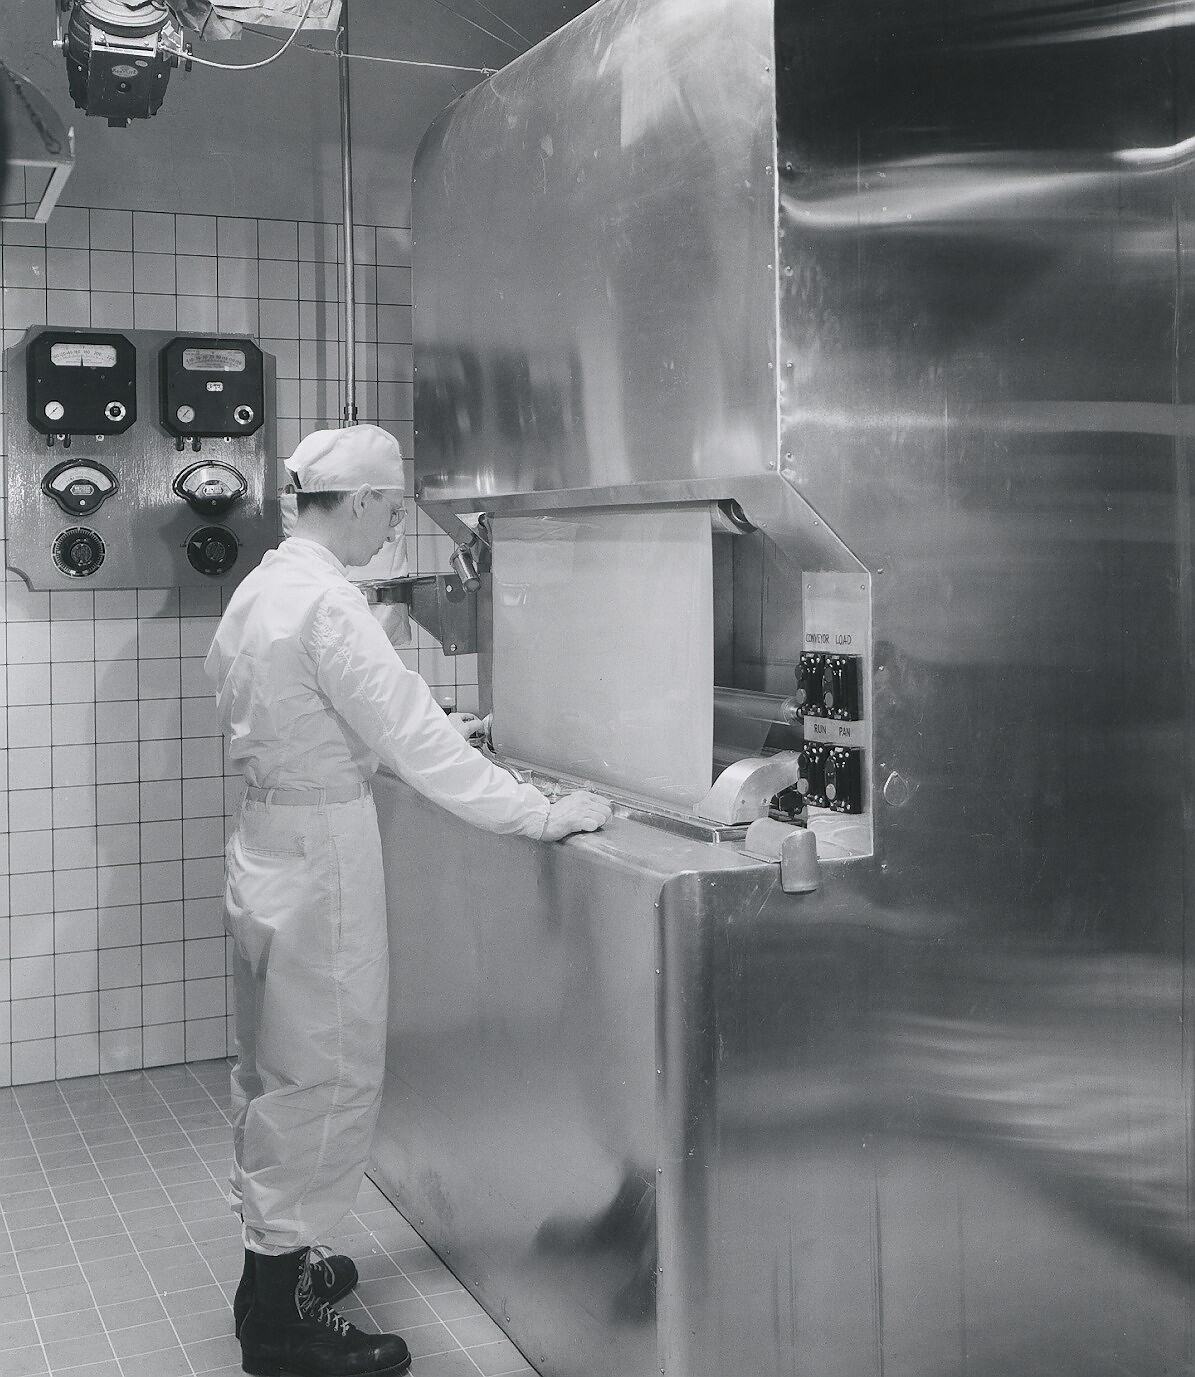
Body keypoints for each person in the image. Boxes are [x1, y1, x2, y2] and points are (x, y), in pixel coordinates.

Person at [205, 424, 612, 1377]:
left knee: (275, 1061)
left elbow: (322, 713)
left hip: (268, 838)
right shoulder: (329, 606)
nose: (391, 527)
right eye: (389, 509)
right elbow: (418, 745)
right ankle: (281, 1320)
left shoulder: (263, 587)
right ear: (354, 502)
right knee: (330, 1066)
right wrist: (539, 815)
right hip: (321, 855)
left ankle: (276, 1262)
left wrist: (419, 727)